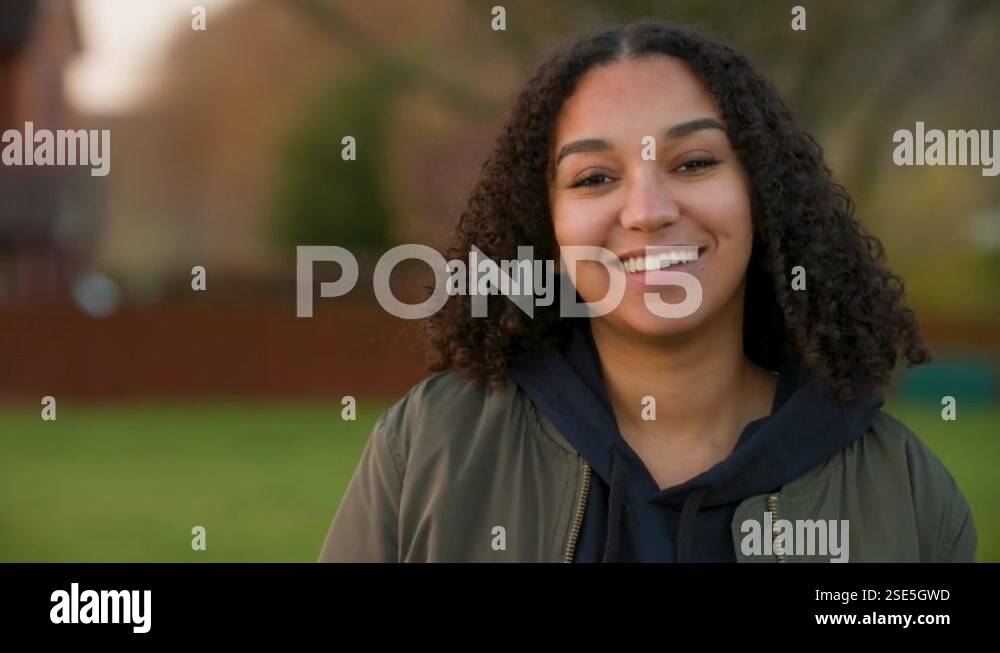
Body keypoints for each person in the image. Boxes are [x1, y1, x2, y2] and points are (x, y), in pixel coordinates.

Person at [319, 21, 976, 562]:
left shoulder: (907, 498)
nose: (647, 210)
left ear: (761, 193)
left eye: (693, 163)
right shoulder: (432, 449)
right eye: (594, 177)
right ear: (544, 220)